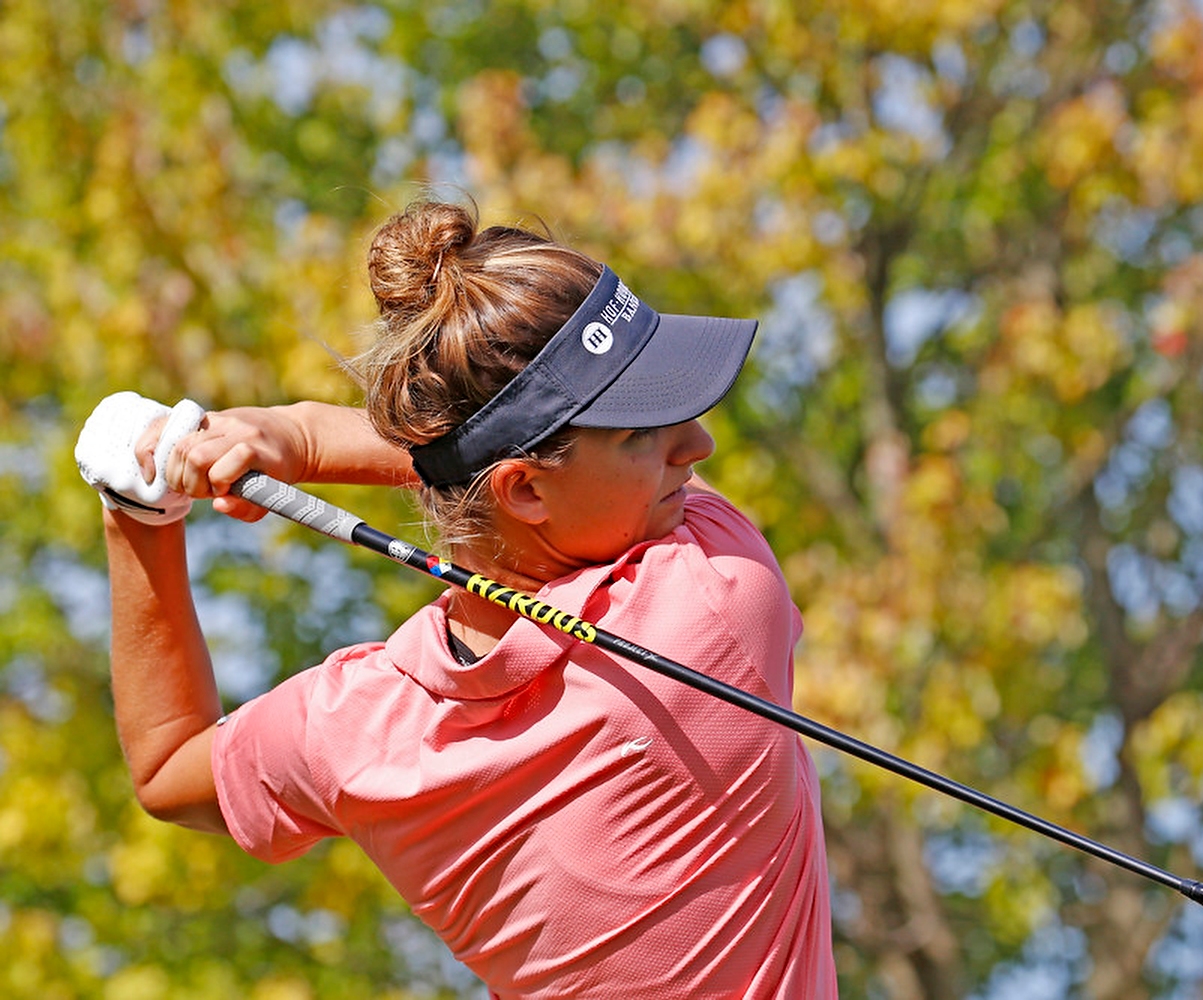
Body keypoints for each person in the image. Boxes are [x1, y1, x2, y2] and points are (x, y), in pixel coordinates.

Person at [75, 199, 837, 998]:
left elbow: (169, 767)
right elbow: (458, 459)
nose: (695, 445)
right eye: (641, 434)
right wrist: (298, 437)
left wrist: (140, 517)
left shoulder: (360, 733)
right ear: (527, 490)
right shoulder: (716, 600)